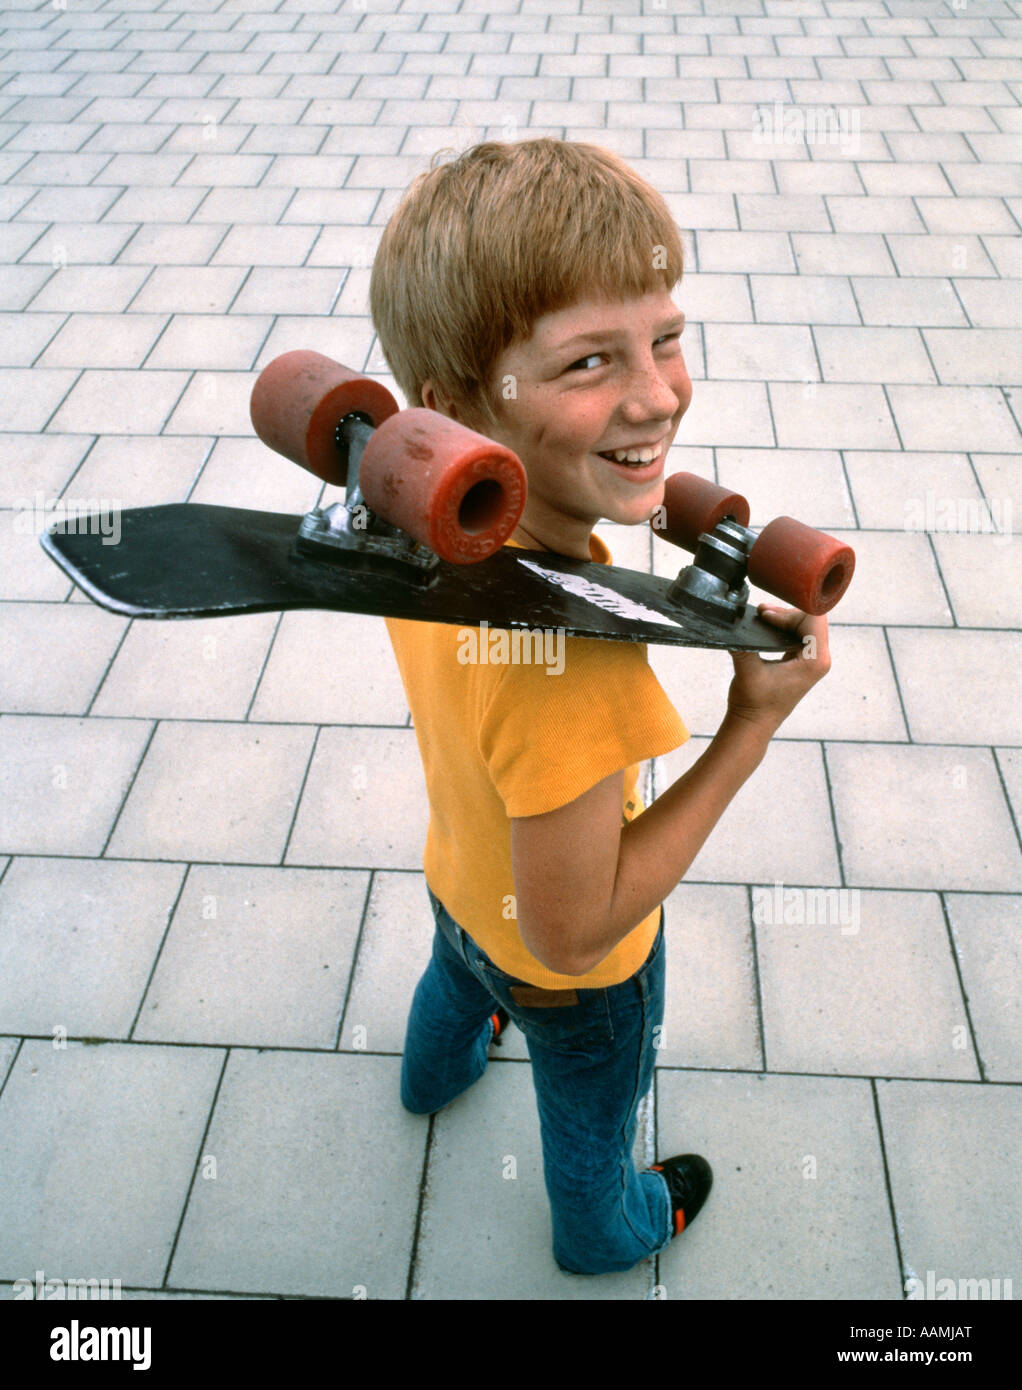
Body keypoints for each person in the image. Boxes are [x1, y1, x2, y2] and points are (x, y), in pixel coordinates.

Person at [368, 138, 830, 1276]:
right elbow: (574, 927)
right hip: (576, 983)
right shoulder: (579, 675)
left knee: (456, 979)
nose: (660, 391)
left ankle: (433, 1076)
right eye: (587, 363)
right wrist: (748, 726)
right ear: (459, 408)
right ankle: (602, 1229)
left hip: (461, 883)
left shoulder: (415, 534)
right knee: (588, 1118)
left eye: (665, 337)